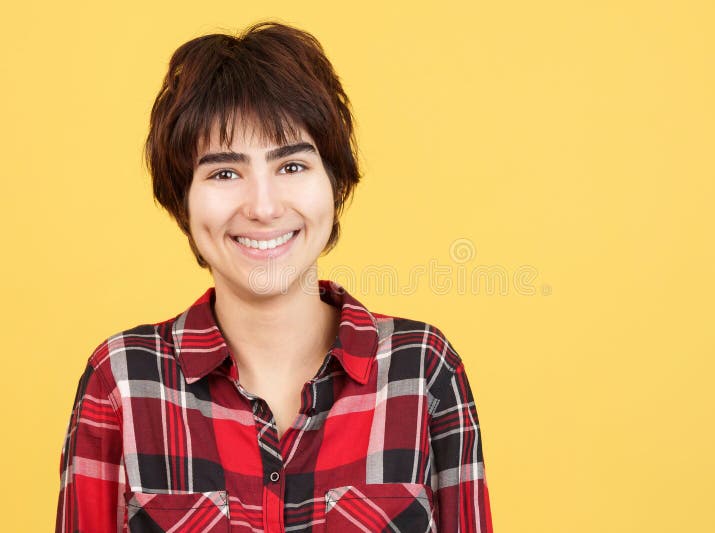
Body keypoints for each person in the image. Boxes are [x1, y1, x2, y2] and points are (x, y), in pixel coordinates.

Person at [56, 21, 493, 532]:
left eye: (291, 166)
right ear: (183, 199)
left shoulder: (423, 371)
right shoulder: (122, 383)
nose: (263, 208)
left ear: (334, 182)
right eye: (224, 173)